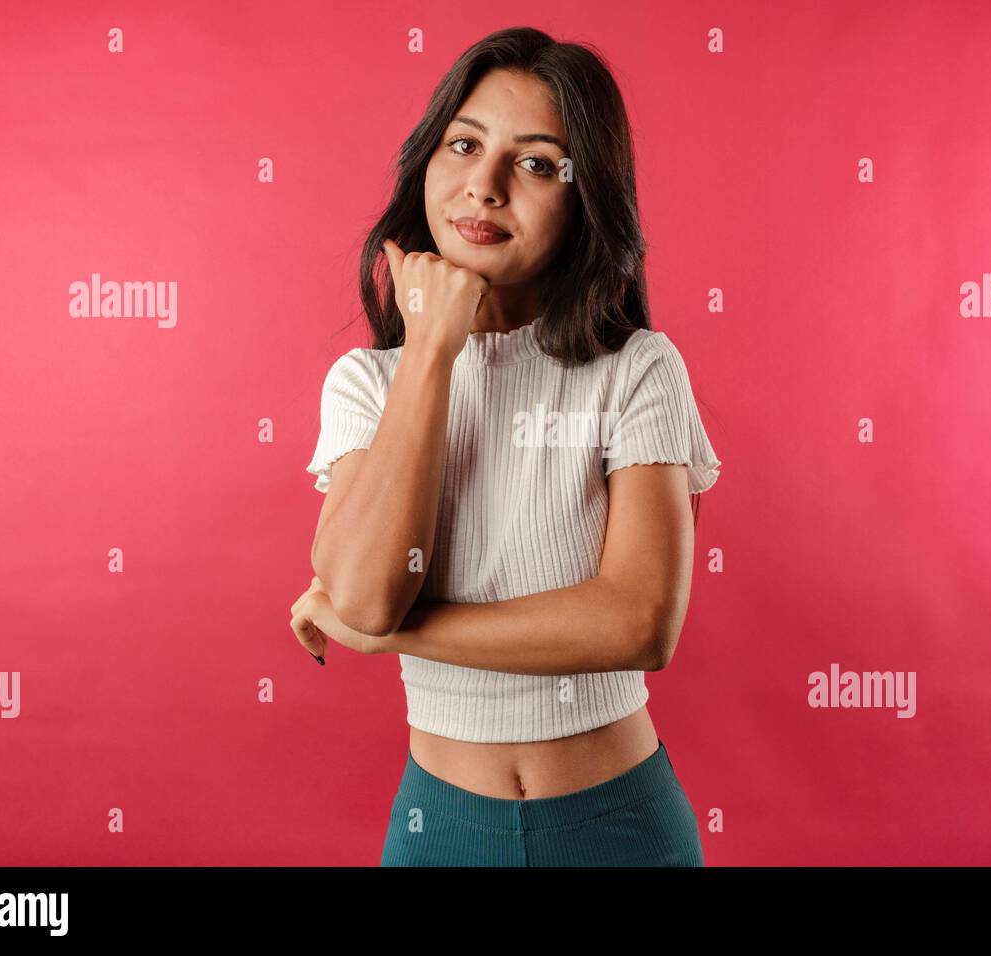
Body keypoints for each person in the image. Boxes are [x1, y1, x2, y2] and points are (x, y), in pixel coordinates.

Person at [290, 26, 722, 866]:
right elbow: (367, 592)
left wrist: (393, 638)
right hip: (439, 830)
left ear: (583, 197)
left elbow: (638, 622)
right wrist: (430, 352)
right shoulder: (366, 384)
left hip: (618, 827)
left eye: (534, 163)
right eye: (463, 145)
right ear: (427, 169)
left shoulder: (636, 371)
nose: (483, 187)